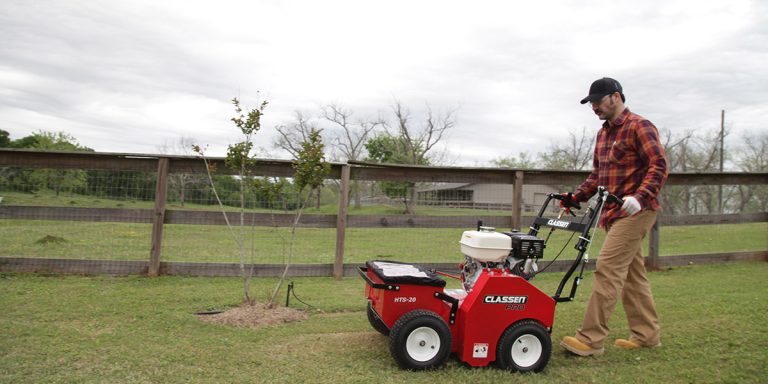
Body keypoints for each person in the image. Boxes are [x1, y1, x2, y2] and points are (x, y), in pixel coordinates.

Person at [559, 77, 668, 356]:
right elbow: (597, 176)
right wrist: (576, 197)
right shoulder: (603, 133)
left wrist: (640, 197)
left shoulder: (639, 126)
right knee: (633, 275)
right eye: (591, 103)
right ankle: (647, 336)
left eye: (598, 101)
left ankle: (591, 339)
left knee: (608, 267)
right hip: (613, 213)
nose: (594, 106)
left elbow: (658, 165)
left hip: (636, 211)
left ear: (616, 97)